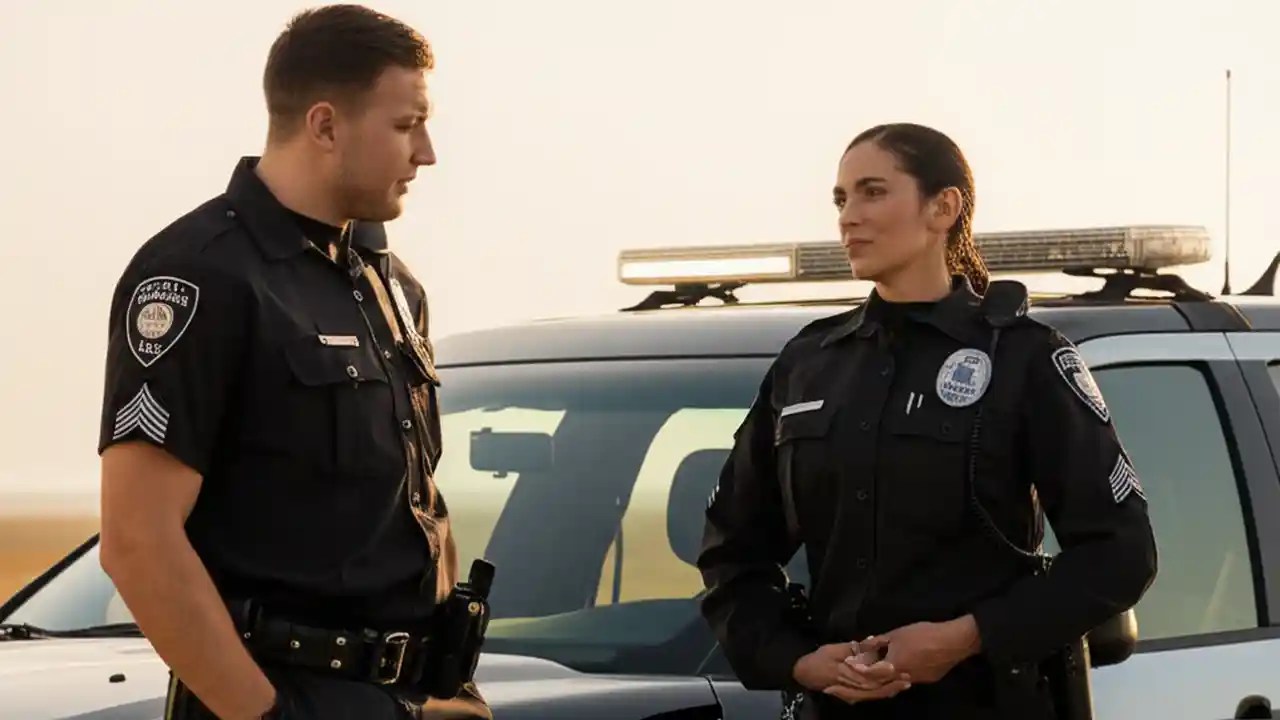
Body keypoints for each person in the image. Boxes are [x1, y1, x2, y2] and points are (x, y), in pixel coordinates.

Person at [96, 5, 491, 719]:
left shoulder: (391, 284)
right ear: (325, 125)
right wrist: (263, 715)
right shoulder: (201, 277)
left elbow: (412, 506)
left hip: (417, 697)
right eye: (406, 125)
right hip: (290, 694)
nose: (426, 152)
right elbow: (137, 540)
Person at [697, 122, 1158, 719]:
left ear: (944, 207)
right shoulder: (808, 366)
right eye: (840, 199)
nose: (848, 217)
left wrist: (965, 637)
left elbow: (1120, 553)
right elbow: (732, 549)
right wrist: (799, 660)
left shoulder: (1023, 359)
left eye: (872, 192)